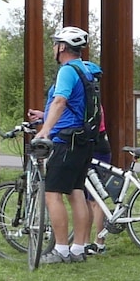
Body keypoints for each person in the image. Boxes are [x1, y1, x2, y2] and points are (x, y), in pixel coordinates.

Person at [37, 26, 107, 263]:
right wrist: (44, 115)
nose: (53, 48)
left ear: (62, 47)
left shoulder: (67, 71)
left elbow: (60, 101)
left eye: (55, 44)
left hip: (66, 140)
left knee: (53, 193)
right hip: (85, 139)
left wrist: (45, 131)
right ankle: (78, 248)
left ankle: (61, 249)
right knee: (76, 192)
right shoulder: (87, 69)